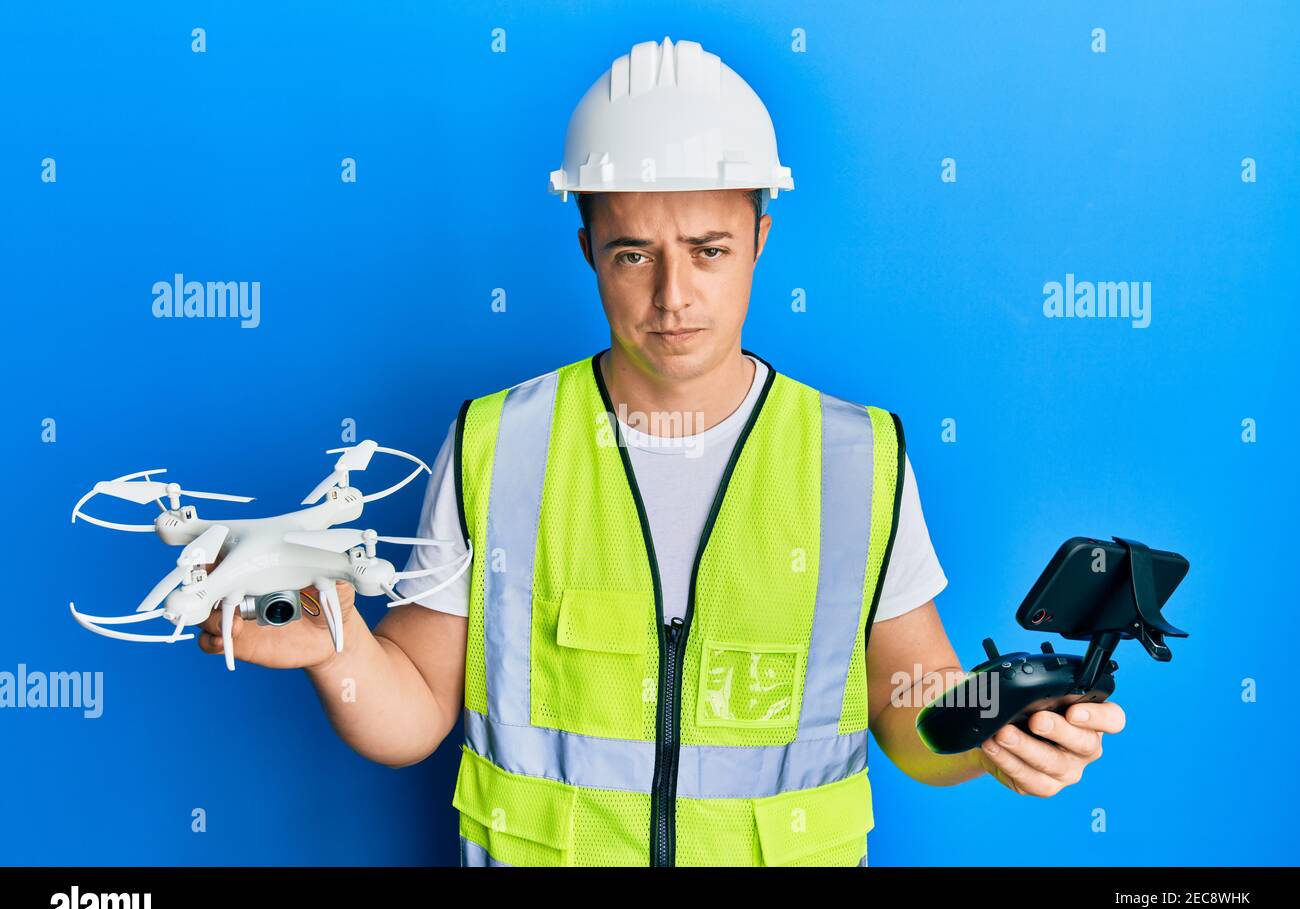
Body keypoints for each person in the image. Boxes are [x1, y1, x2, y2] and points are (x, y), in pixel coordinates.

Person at [199, 37, 1124, 867]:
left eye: (710, 250)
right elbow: (414, 716)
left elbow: (906, 707)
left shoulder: (856, 457)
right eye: (633, 254)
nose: (673, 296)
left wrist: (992, 732)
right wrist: (341, 652)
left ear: (762, 239)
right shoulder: (497, 443)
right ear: (588, 250)